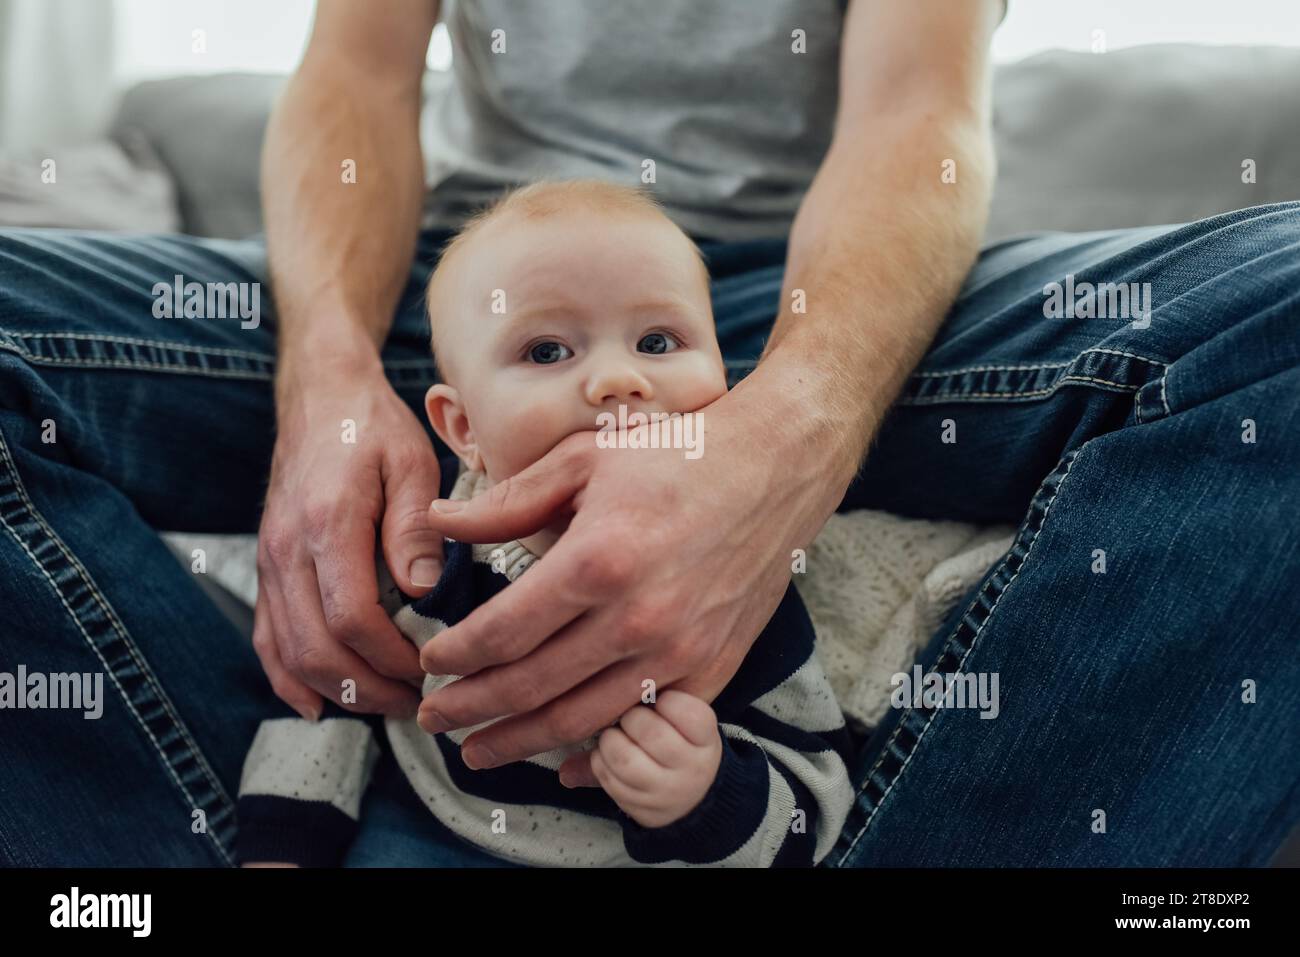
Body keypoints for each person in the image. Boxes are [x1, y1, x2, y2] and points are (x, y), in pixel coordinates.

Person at [0, 0, 1295, 867]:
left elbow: (919, 117)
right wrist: (325, 374)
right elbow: (354, 70)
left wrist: (784, 434)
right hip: (471, 296)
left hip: (812, 299)